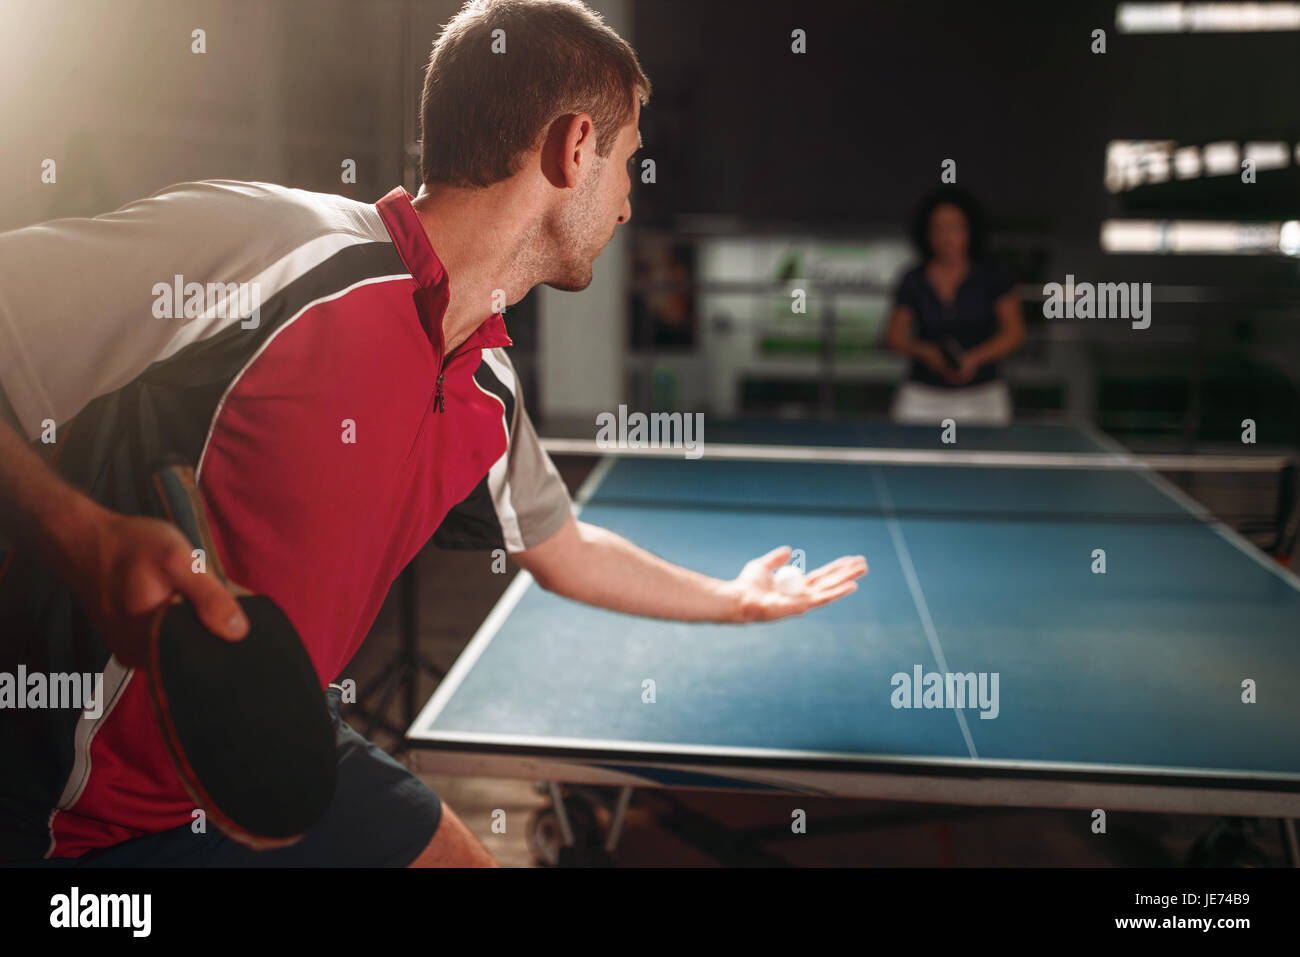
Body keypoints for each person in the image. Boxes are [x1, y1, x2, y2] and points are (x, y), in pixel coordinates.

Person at [0, 0, 865, 867]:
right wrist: (81, 537)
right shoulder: (273, 251)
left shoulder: (488, 387)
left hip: (284, 742)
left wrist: (735, 599)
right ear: (573, 150)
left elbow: (566, 550)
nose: (631, 204)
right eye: (630, 163)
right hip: (71, 807)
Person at [884, 187, 1025, 425]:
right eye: (938, 228)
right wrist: (927, 353)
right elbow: (895, 336)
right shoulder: (913, 279)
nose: (946, 237)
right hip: (922, 395)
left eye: (954, 227)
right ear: (926, 233)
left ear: (969, 231)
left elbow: (1014, 333)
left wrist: (974, 359)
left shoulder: (992, 275)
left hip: (984, 395)